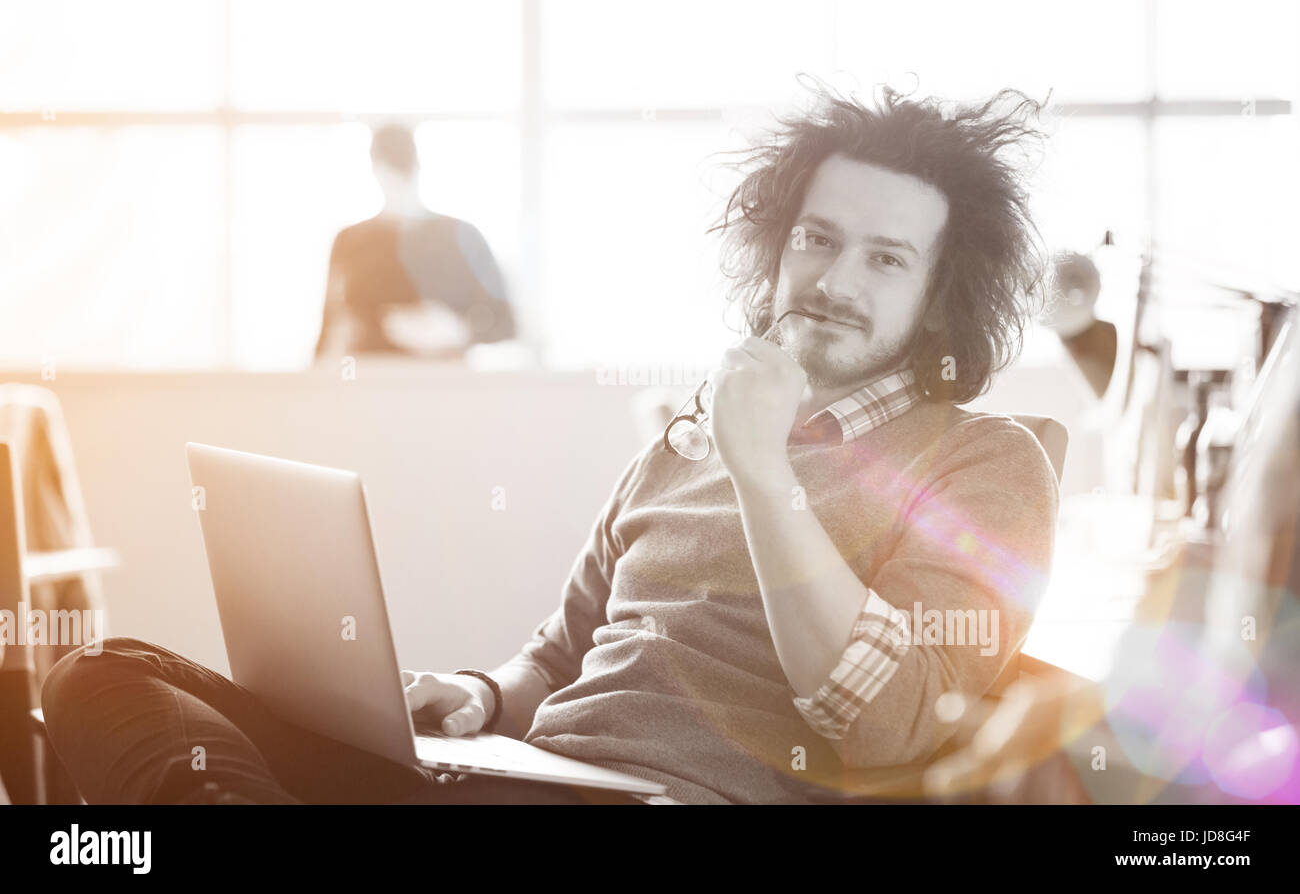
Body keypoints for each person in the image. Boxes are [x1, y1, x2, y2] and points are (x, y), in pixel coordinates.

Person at [40, 83, 1059, 804]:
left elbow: (886, 721)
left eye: (886, 257)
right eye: (817, 237)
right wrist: (480, 694)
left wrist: (763, 476)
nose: (835, 278)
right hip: (517, 775)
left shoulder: (986, 462)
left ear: (939, 298)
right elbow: (559, 652)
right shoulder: (684, 442)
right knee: (101, 671)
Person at [313, 122, 516, 361]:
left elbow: (506, 324)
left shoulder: (463, 236)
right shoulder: (350, 241)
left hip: (443, 382)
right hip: (369, 380)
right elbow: (329, 331)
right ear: (375, 169)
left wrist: (458, 331)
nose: (396, 178)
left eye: (401, 164)